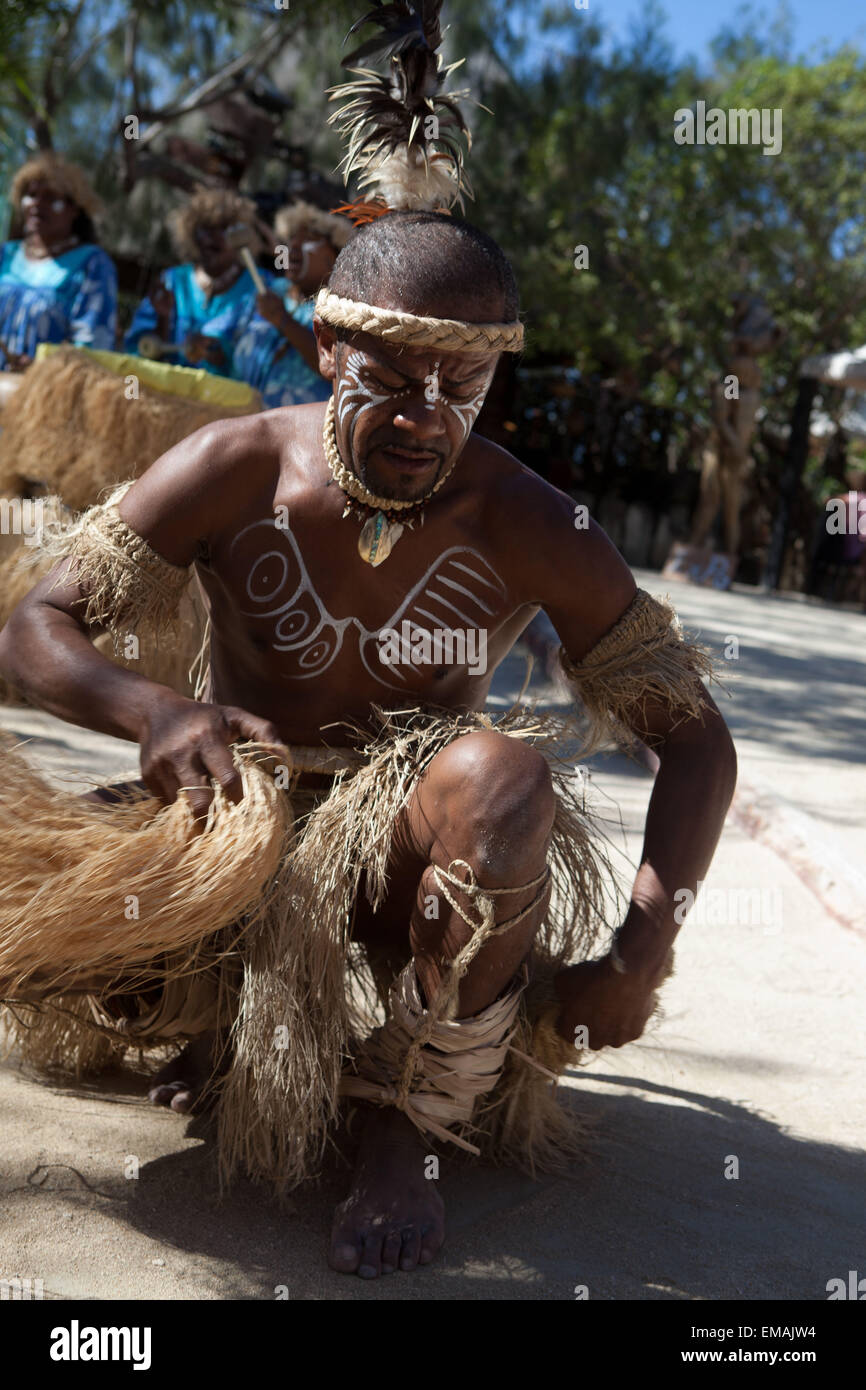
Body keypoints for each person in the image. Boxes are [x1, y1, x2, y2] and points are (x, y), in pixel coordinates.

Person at [0, 4, 736, 1281]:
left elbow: (696, 744)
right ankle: (216, 1013)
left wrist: (640, 946)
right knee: (94, 975)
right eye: (394, 370)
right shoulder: (234, 462)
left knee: (502, 778)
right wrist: (158, 715)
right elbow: (30, 627)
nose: (427, 413)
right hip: (240, 811)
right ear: (328, 341)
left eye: (465, 382)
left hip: (404, 846)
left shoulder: (527, 517)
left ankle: (405, 1119)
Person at [124, 188, 268, 376]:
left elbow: (263, 362)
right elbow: (139, 356)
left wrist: (217, 354)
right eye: (206, 228)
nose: (214, 236)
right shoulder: (172, 281)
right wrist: (163, 319)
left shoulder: (260, 287)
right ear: (191, 234)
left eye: (225, 228)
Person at [0, 153, 117, 377]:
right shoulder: (5, 254)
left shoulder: (92, 264)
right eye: (31, 195)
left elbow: (92, 349)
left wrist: (43, 369)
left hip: (45, 397)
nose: (37, 204)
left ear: (74, 210)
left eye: (50, 197)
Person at [232, 201, 352, 406]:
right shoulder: (270, 291)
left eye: (309, 241)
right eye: (291, 240)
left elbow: (336, 366)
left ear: (335, 257)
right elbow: (226, 339)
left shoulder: (342, 309)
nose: (294, 247)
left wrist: (283, 321)